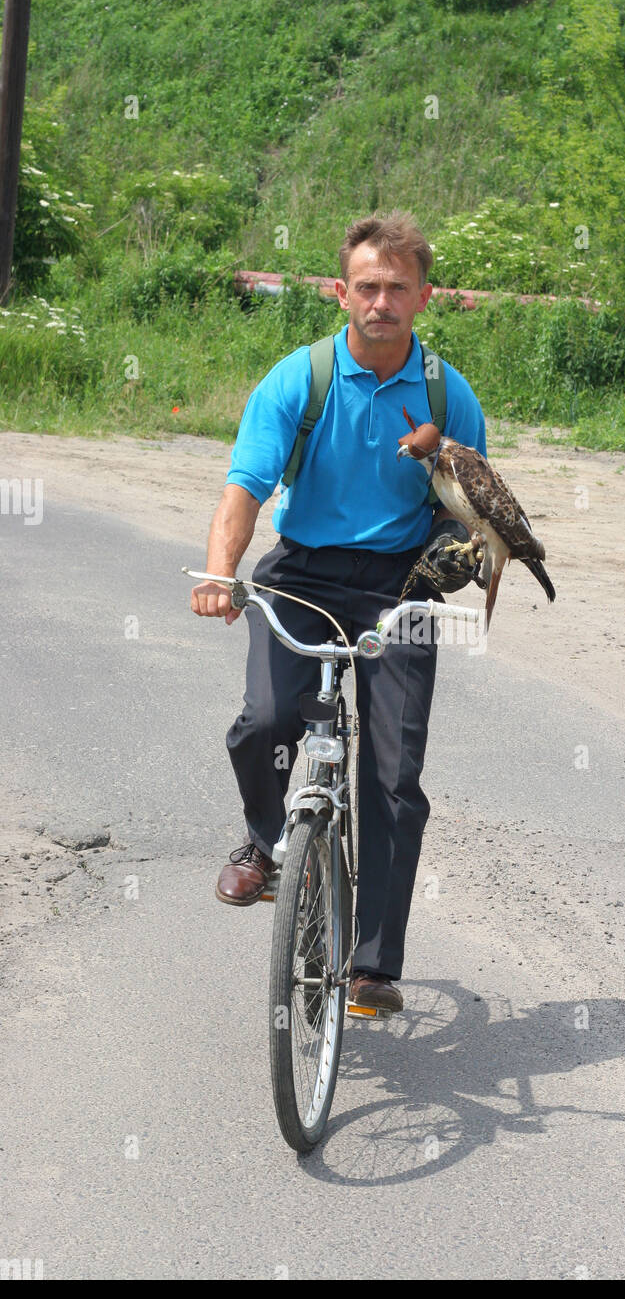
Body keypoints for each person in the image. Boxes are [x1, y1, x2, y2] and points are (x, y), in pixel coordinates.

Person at [190, 211, 487, 1013]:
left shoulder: (445, 393)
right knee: (266, 720)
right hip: (303, 571)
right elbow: (245, 487)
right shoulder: (299, 378)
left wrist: (460, 554)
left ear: (424, 297)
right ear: (341, 292)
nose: (381, 301)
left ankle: (373, 967)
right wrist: (221, 574)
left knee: (394, 776)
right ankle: (267, 840)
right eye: (367, 286)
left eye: (397, 287)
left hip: (401, 585)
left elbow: (474, 500)